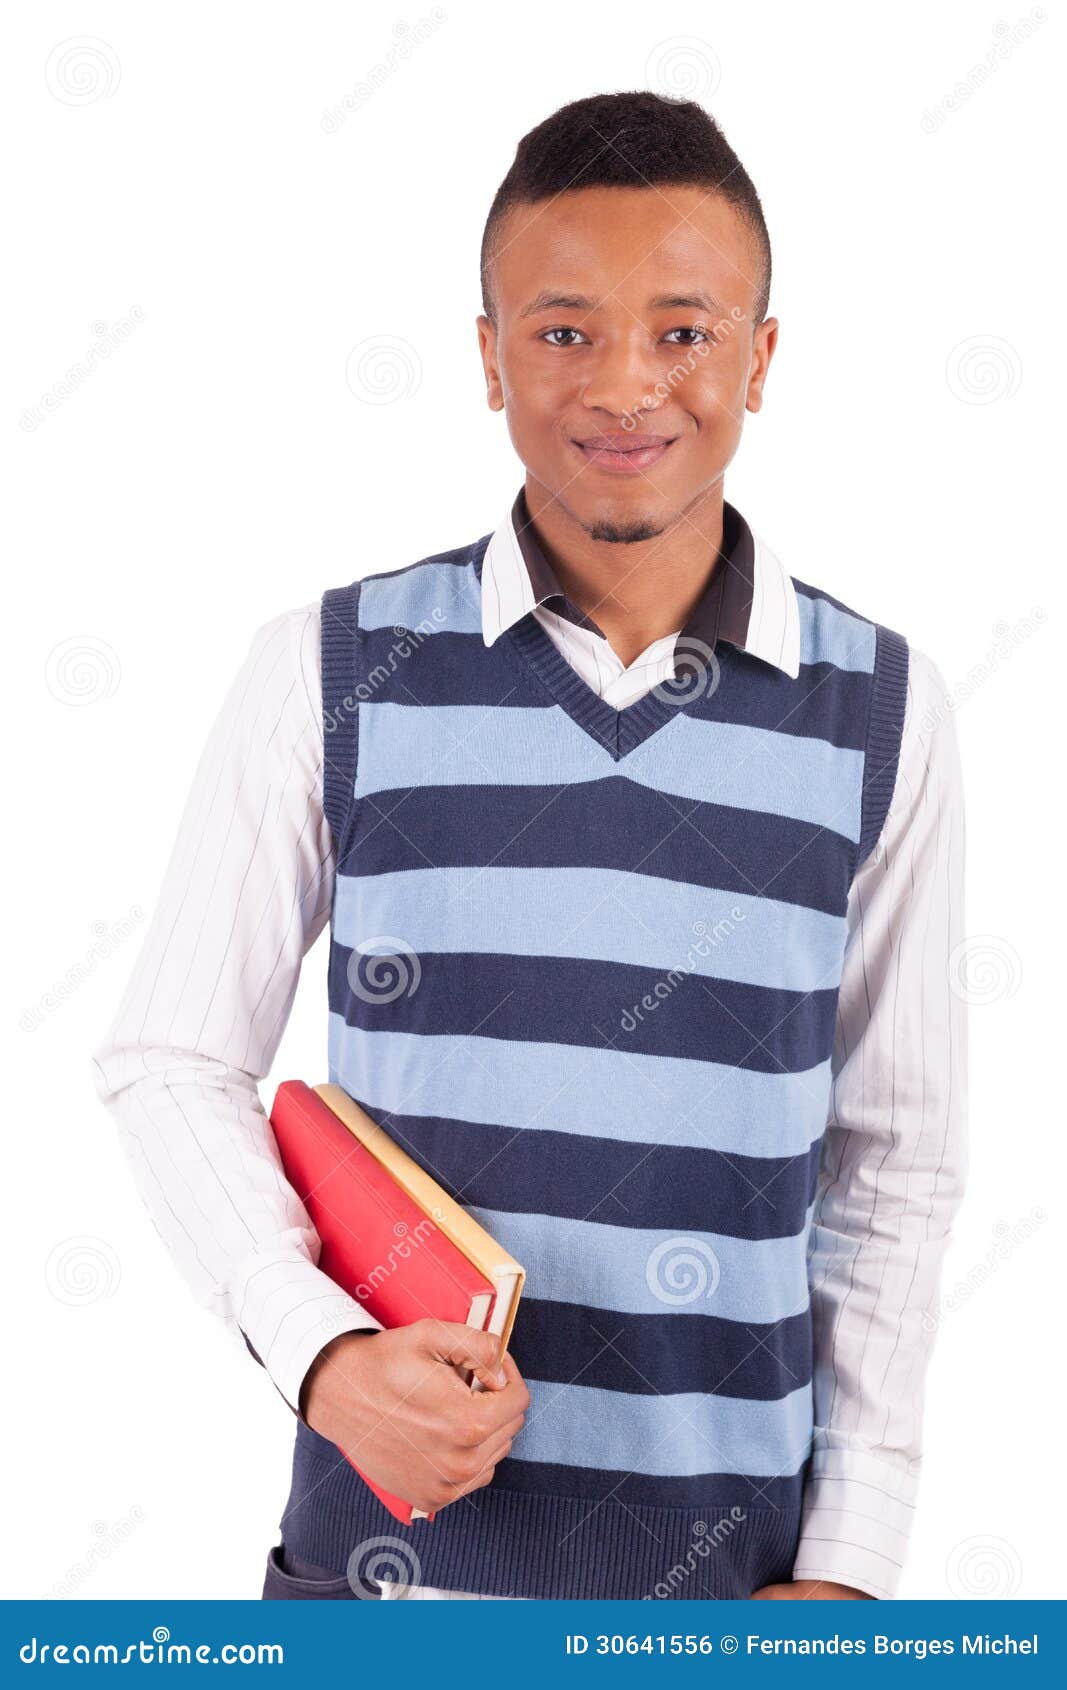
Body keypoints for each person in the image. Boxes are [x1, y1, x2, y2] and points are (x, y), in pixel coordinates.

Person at [93, 90, 967, 1602]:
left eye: (683, 331)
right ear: (489, 355)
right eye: (564, 331)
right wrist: (323, 1355)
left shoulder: (883, 709)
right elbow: (167, 1058)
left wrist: (851, 1569)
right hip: (379, 1598)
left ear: (761, 359)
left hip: (737, 1613)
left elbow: (898, 1158)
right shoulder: (326, 664)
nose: (626, 382)